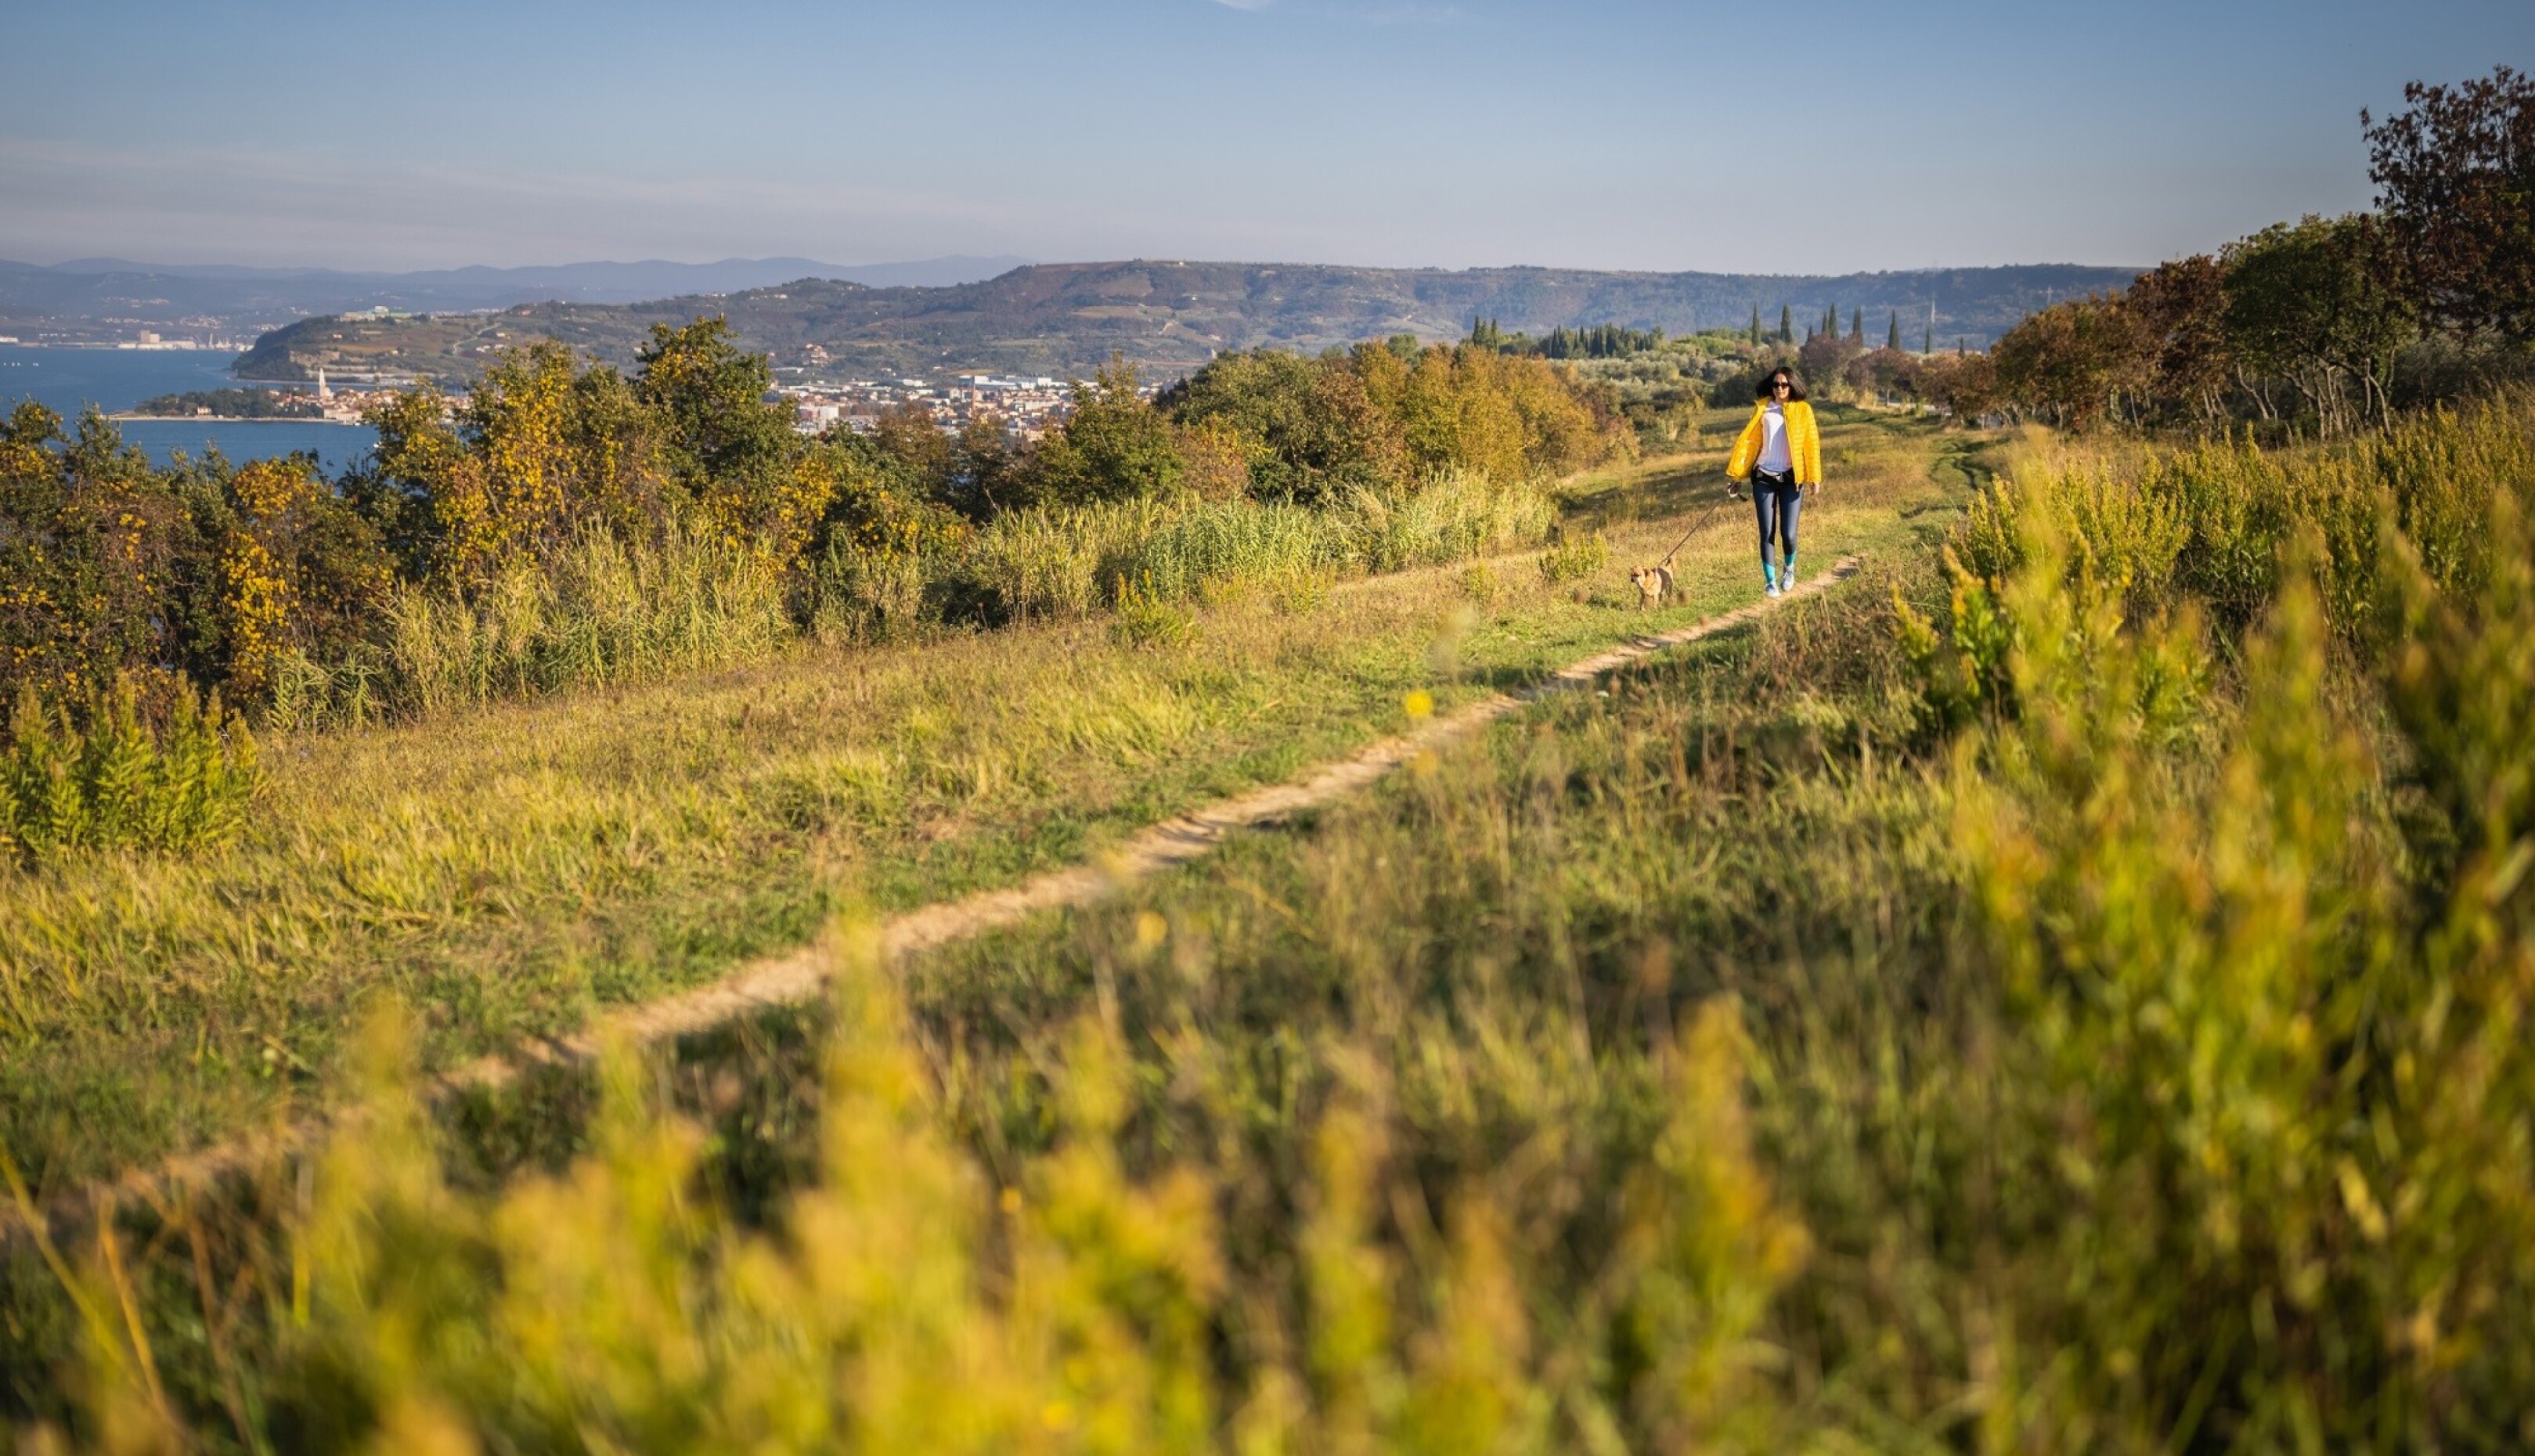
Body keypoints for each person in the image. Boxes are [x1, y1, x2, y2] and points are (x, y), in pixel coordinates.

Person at [1723, 366, 1820, 597]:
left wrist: (1815, 477)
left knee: (1788, 533)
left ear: (1792, 386)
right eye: (1776, 385)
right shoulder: (1762, 409)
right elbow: (1750, 444)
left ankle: (1789, 569)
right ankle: (1770, 582)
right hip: (1763, 477)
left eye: (1784, 385)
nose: (1779, 389)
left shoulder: (1803, 410)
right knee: (1767, 531)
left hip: (1791, 479)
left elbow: (1811, 444)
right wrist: (1737, 476)